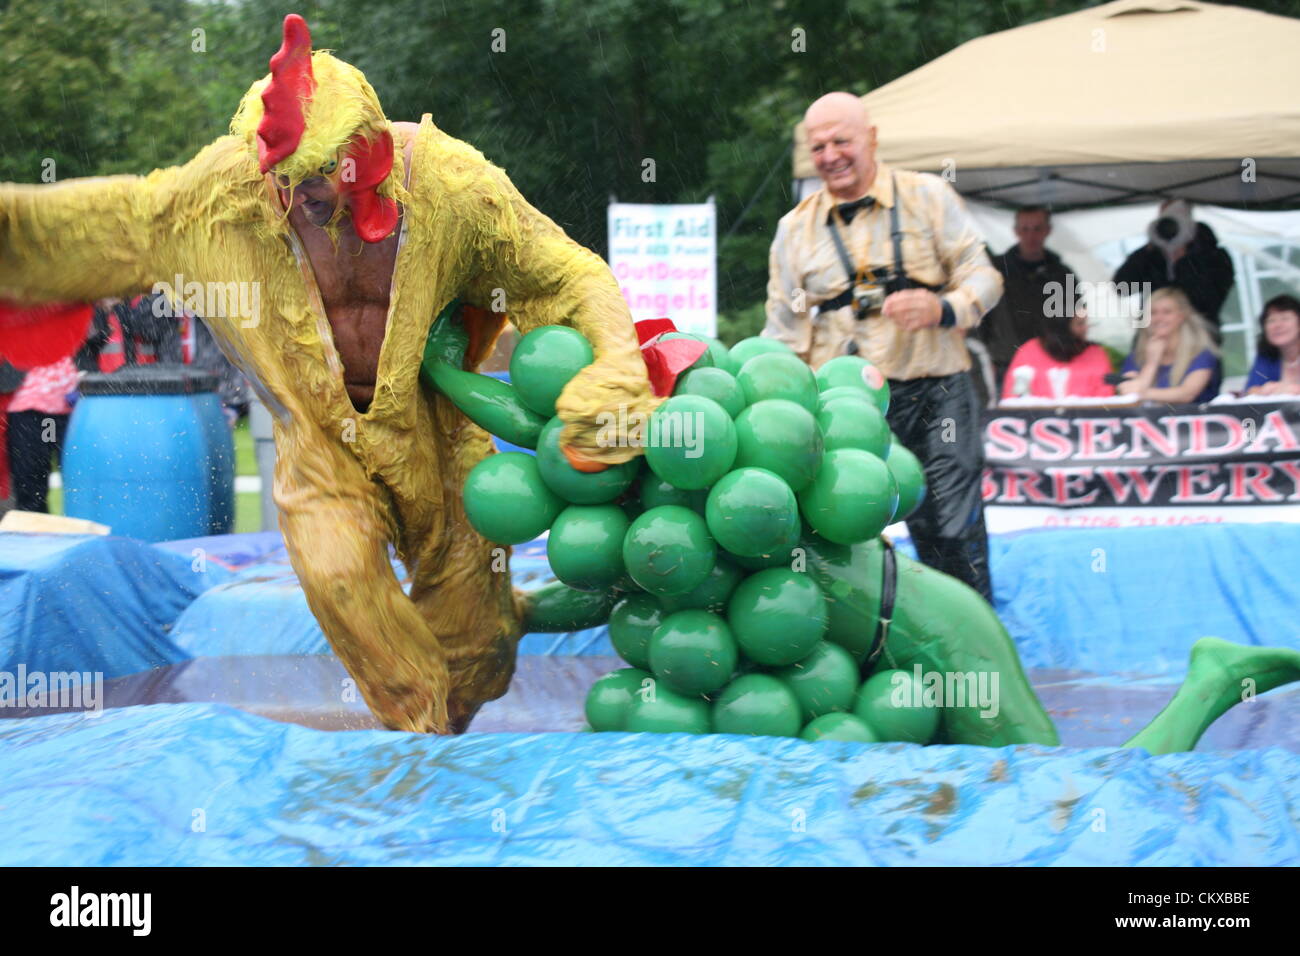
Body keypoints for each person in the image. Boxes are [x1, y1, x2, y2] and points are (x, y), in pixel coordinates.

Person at [0, 14, 657, 734]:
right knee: (341, 578)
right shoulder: (223, 197)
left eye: (314, 177)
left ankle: (460, 704)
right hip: (318, 444)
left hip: (434, 438)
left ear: (364, 152)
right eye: (280, 177)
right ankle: (415, 747)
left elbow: (565, 272)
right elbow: (98, 221)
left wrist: (619, 361)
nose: (293, 193)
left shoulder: (456, 188)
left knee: (478, 651)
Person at [764, 91, 1003, 601]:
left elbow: (983, 276)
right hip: (845, 408)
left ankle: (972, 662)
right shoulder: (793, 230)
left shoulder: (929, 197)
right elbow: (782, 334)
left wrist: (942, 309)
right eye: (818, 146)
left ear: (871, 138)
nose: (830, 155)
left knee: (951, 531)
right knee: (840, 529)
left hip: (938, 393)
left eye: (841, 140)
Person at [979, 206, 1076, 385]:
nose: (1031, 235)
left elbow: (1073, 320)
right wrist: (985, 358)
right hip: (1004, 363)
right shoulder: (995, 271)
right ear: (1016, 231)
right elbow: (979, 316)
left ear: (1048, 231)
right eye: (1025, 229)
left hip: (1052, 362)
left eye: (1037, 229)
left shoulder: (1062, 274)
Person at [1112, 199, 1235, 333]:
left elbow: (1207, 299)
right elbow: (1121, 287)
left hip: (1198, 335)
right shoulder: (1151, 256)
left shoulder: (1213, 256)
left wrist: (1183, 259)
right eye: (1165, 218)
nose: (1170, 225)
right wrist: (1149, 247)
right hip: (1153, 334)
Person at [1118, 286, 1220, 404]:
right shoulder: (1136, 356)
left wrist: (1143, 393)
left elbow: (1187, 394)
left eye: (1167, 312)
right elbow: (1130, 397)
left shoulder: (1201, 354)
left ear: (1181, 316)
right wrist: (1151, 363)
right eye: (1153, 313)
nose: (1159, 318)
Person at [1001, 302, 1114, 401]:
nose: (1086, 328)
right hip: (1038, 422)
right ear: (1062, 327)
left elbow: (1105, 398)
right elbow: (1013, 399)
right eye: (1080, 324)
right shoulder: (1029, 352)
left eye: (1086, 322)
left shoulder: (1096, 354)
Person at [1244, 293, 1300, 396]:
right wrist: (1263, 390)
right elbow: (1250, 391)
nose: (1277, 325)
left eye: (1285, 318)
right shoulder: (1267, 357)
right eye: (1271, 320)